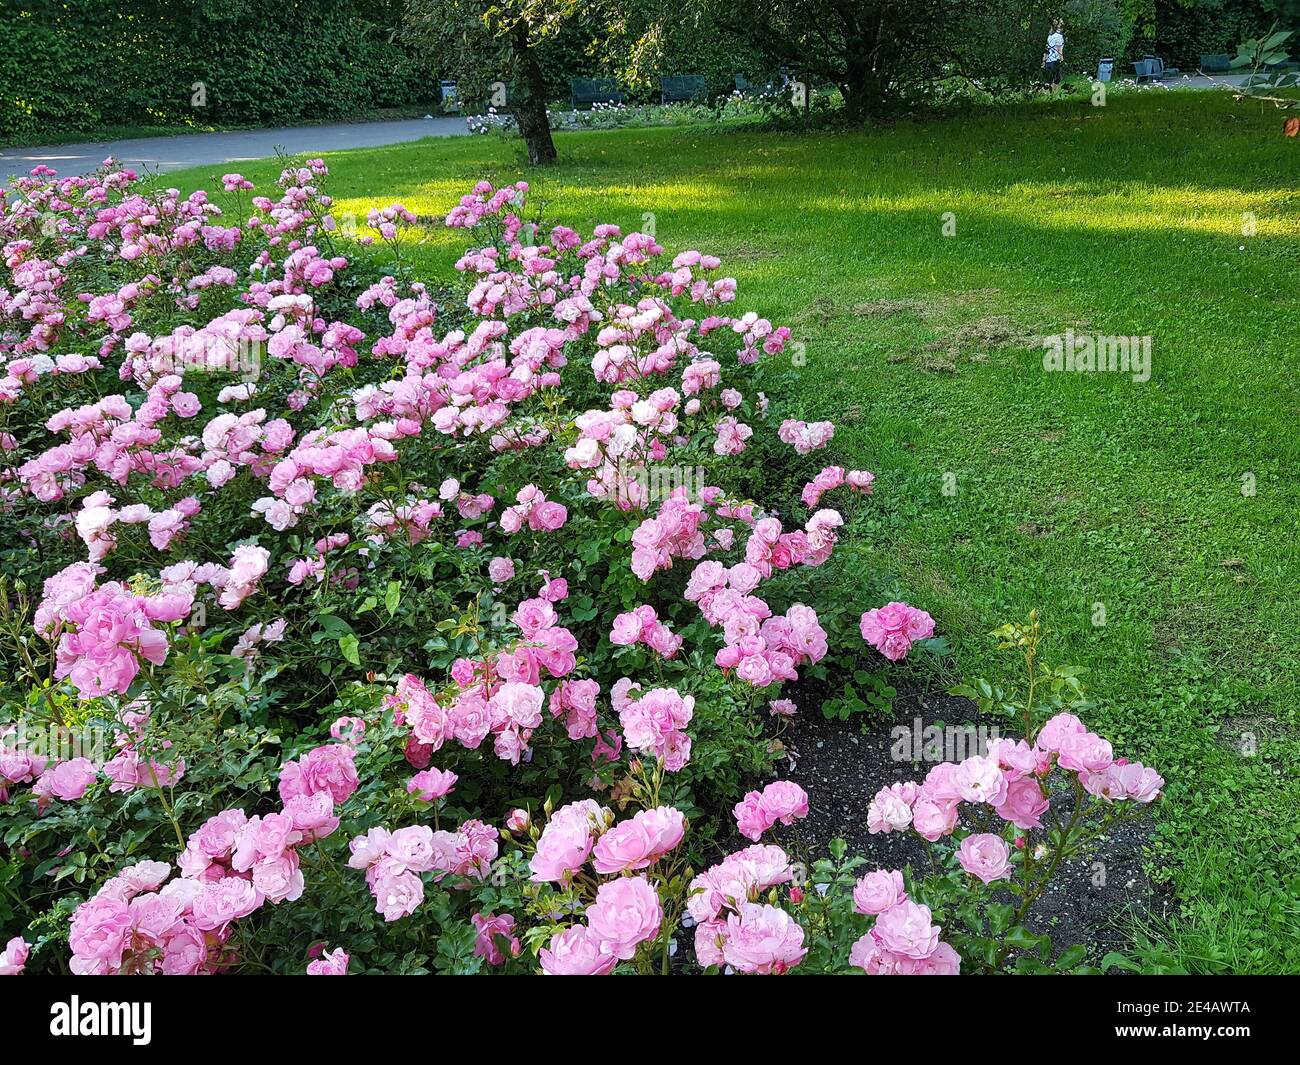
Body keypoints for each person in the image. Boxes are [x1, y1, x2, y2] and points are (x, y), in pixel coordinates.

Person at [1043, 21, 1065, 89]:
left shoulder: (1049, 36)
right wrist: (1062, 59)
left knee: (1048, 80)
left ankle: (1046, 93)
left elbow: (1046, 49)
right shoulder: (1059, 36)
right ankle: (1052, 95)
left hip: (1048, 60)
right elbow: (1059, 49)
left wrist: (1044, 61)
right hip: (1055, 59)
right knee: (1057, 79)